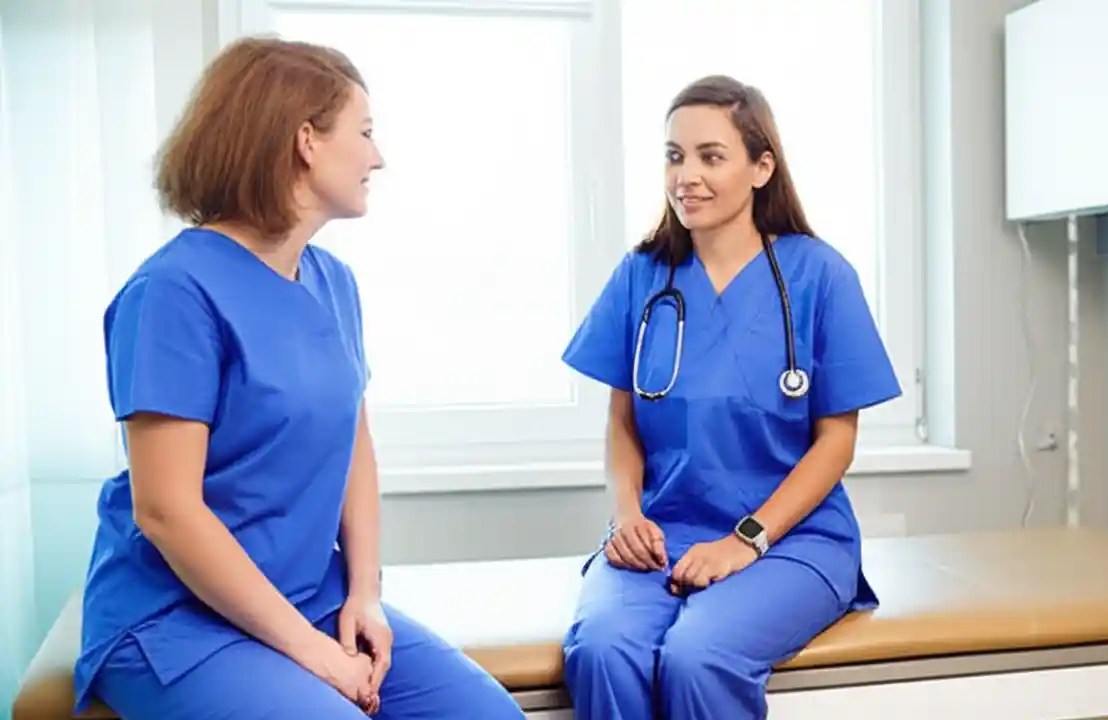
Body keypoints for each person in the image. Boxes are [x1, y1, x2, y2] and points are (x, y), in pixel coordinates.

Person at [72, 36, 525, 720]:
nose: (378, 156)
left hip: (310, 596)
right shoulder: (173, 292)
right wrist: (316, 659)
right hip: (175, 621)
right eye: (365, 133)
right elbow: (165, 510)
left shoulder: (332, 282)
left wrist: (364, 594)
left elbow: (355, 447)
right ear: (305, 140)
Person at [559, 74, 902, 719]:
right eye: (674, 155)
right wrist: (627, 514)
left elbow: (837, 441)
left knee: (699, 656)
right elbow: (624, 422)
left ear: (760, 167)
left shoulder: (820, 276)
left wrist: (746, 538)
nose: (686, 175)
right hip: (664, 532)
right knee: (602, 648)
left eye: (710, 157)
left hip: (794, 540)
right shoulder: (642, 275)